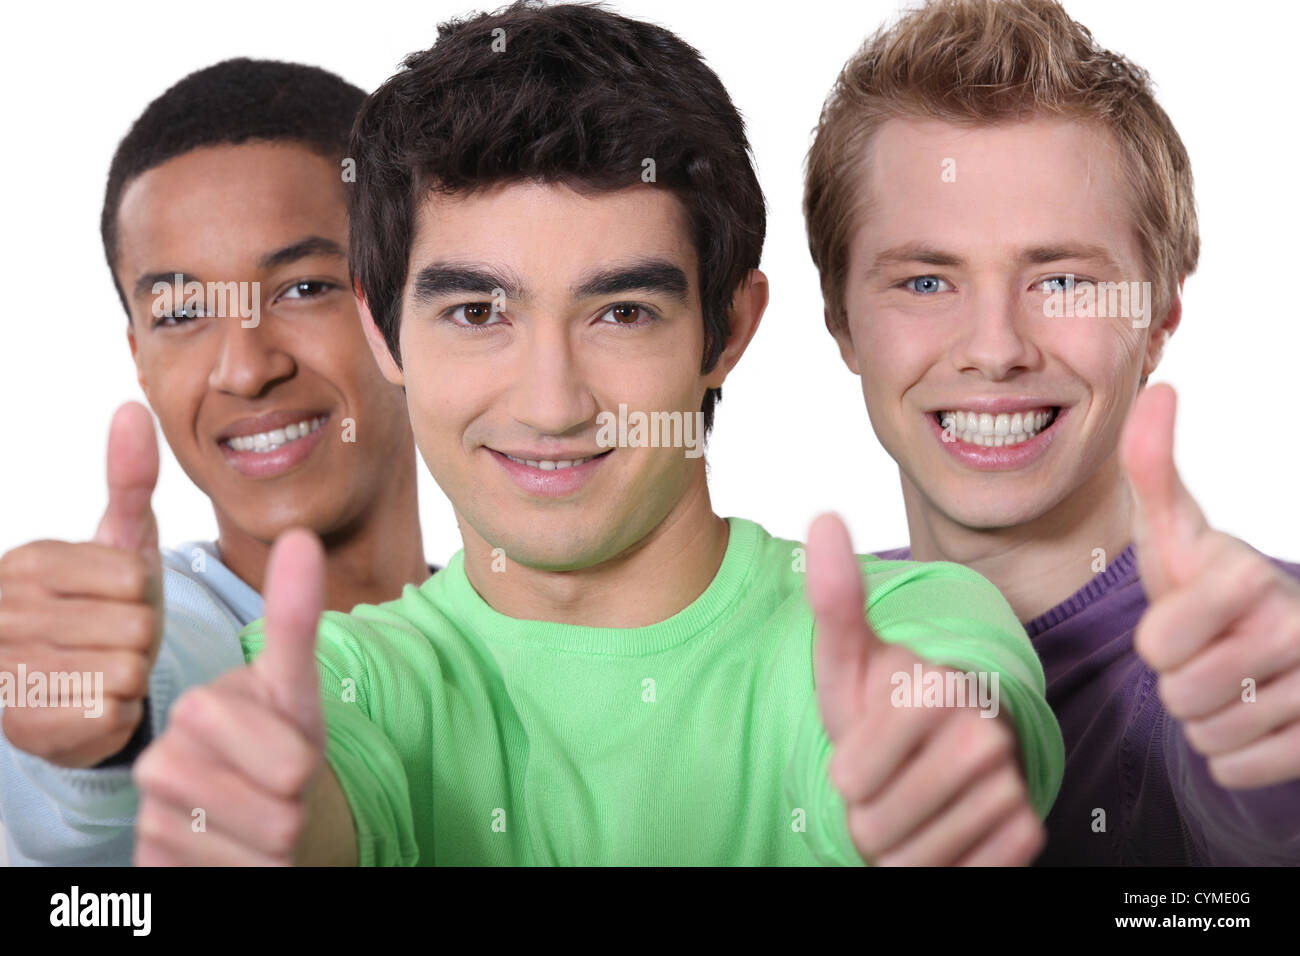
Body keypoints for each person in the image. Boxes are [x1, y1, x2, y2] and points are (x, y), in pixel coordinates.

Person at [133, 1, 1063, 867]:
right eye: (474, 312)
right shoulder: (331, 683)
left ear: (727, 330)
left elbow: (956, 707)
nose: (551, 404)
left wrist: (927, 765)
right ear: (384, 334)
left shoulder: (912, 622)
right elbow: (309, 802)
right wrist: (263, 824)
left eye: (620, 312)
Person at [803, 0, 1300, 864]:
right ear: (840, 320)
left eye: (1062, 280)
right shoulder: (770, 648)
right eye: (925, 283)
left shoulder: (1263, 642)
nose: (995, 351)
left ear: (1158, 315)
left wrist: (1272, 770)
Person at [0, 58, 435, 865]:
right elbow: (135, 735)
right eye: (183, 312)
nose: (244, 368)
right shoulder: (172, 630)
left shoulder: (526, 625)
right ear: (139, 354)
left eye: (303, 289)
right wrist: (99, 742)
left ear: (416, 306)